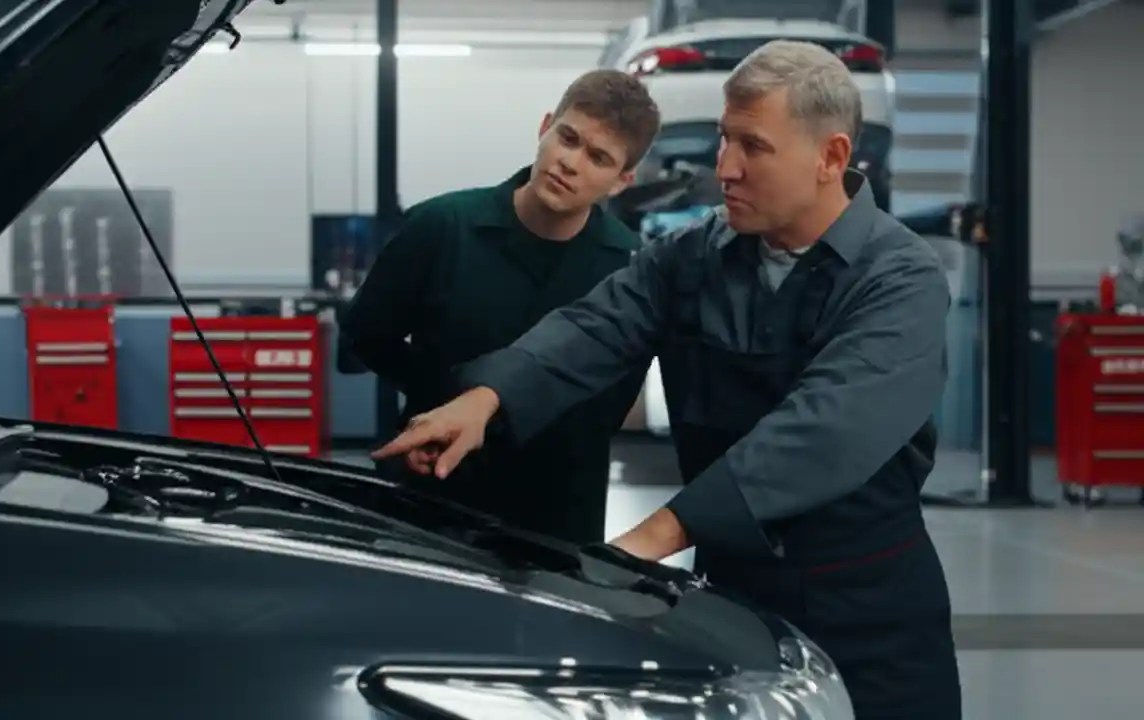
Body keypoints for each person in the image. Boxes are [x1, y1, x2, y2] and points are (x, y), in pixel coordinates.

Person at [374, 40, 962, 720]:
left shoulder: (898, 279)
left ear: (830, 158)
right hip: (733, 598)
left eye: (754, 147)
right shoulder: (695, 257)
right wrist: (483, 400)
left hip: (870, 613)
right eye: (723, 139)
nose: (725, 169)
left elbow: (822, 433)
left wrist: (644, 543)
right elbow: (595, 326)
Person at [339, 69, 660, 546]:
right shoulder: (440, 228)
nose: (570, 163)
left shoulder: (632, 268)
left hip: (560, 515)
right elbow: (364, 336)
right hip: (435, 492)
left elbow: (611, 400)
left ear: (621, 180)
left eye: (598, 157)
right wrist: (440, 395)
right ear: (544, 127)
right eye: (568, 138)